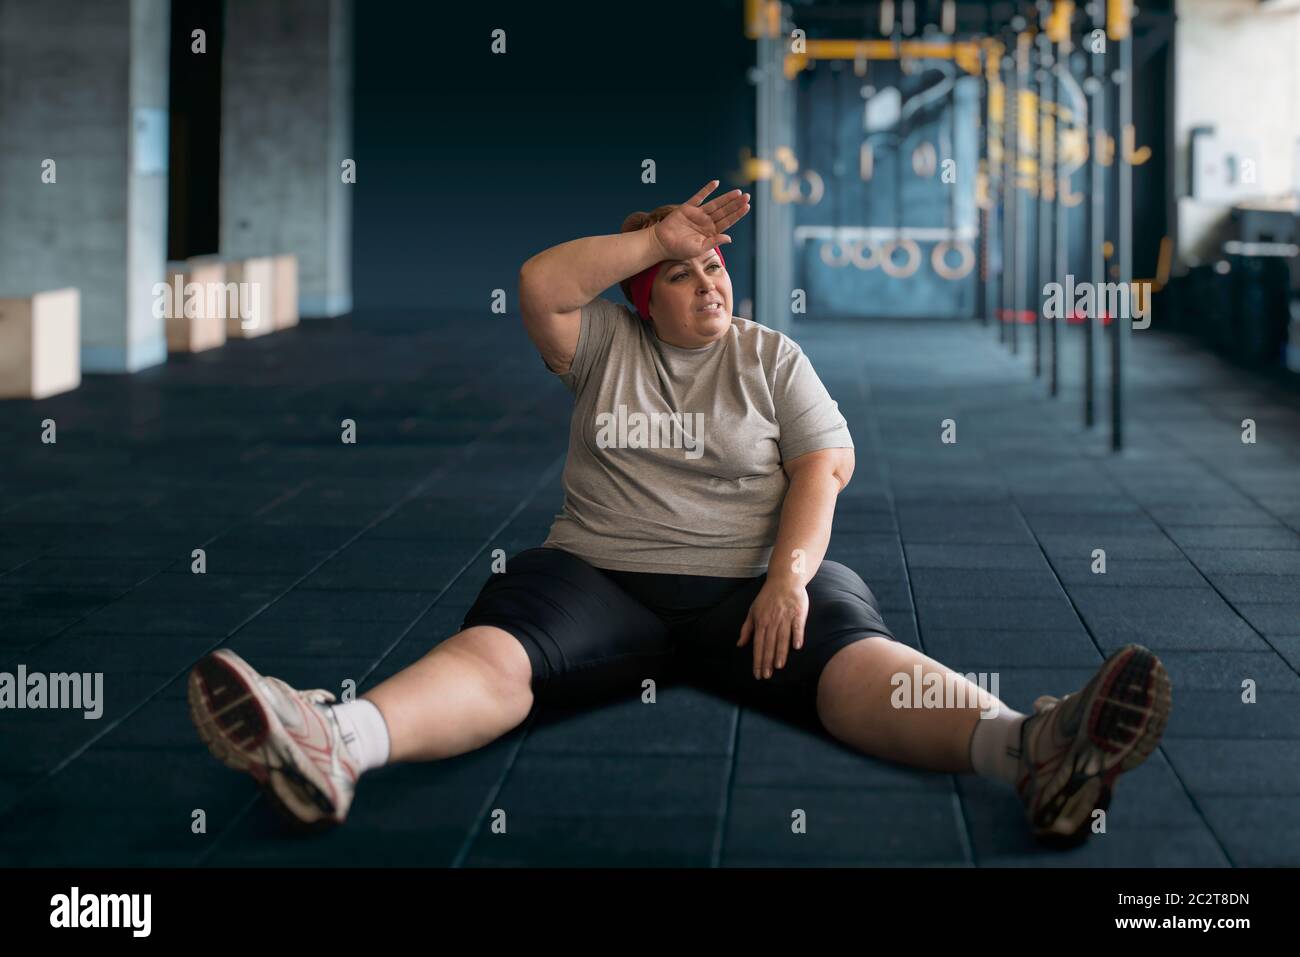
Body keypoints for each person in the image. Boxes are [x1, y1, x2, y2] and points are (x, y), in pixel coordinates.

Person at [188, 179, 1172, 849]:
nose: (709, 282)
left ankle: (1033, 752)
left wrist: (787, 578)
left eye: (713, 266)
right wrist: (659, 235)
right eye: (681, 272)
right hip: (597, 581)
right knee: (501, 650)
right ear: (640, 296)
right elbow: (539, 282)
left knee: (854, 660)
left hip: (755, 587)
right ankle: (336, 742)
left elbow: (820, 471)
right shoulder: (599, 345)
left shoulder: (769, 356)